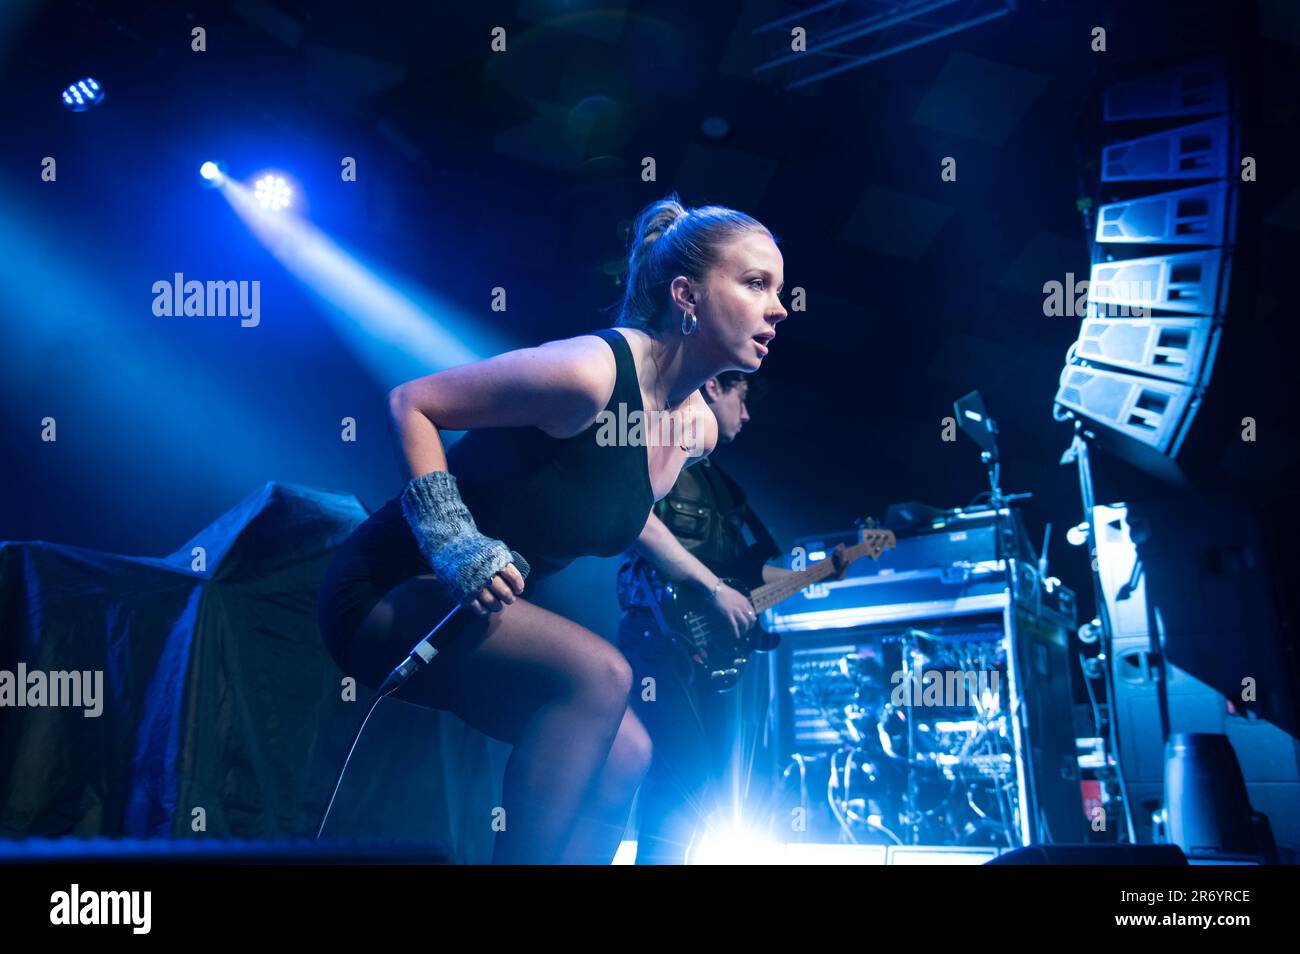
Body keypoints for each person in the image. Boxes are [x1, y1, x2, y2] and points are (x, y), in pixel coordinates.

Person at [316, 192, 790, 863]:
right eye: (755, 283)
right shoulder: (591, 374)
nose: (780, 306)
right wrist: (455, 543)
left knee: (629, 752)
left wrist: (709, 586)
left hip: (472, 616)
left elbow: (629, 515)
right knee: (602, 675)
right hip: (389, 591)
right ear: (685, 293)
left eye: (780, 288)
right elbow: (413, 402)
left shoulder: (694, 427)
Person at [616, 372, 848, 863]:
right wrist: (715, 589)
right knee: (683, 769)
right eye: (742, 399)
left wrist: (820, 572)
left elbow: (747, 570)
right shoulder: (662, 449)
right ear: (715, 387)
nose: (746, 416)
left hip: (709, 647)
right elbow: (632, 520)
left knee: (714, 782)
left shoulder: (725, 487)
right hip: (657, 631)